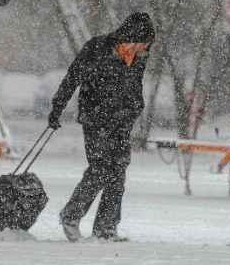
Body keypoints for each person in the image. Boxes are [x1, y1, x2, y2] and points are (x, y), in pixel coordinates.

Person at [48, 12, 155, 242]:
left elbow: (135, 87)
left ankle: (106, 229)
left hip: (122, 121)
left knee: (118, 172)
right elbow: (72, 77)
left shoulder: (138, 58)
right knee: (100, 169)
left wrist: (136, 107)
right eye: (144, 44)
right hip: (96, 119)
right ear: (134, 37)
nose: (145, 50)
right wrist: (57, 107)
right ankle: (70, 216)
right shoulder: (97, 47)